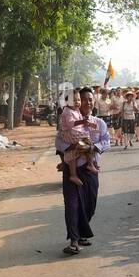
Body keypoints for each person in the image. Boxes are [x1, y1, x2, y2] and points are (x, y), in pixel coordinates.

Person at [59, 87, 99, 254]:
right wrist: (73, 147)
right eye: (83, 100)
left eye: (90, 99)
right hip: (72, 169)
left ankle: (82, 234)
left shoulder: (99, 122)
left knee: (89, 205)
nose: (86, 102)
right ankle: (74, 241)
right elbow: (59, 143)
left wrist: (93, 147)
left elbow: (105, 142)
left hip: (90, 171)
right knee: (72, 205)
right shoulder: (69, 117)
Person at [58, 94, 99, 185]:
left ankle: (74, 175)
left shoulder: (76, 110)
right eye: (74, 100)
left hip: (74, 133)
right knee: (88, 141)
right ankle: (90, 164)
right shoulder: (67, 111)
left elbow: (81, 123)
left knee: (73, 153)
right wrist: (83, 122)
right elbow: (70, 124)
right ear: (67, 102)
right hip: (70, 134)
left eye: (78, 100)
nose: (77, 102)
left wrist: (89, 124)